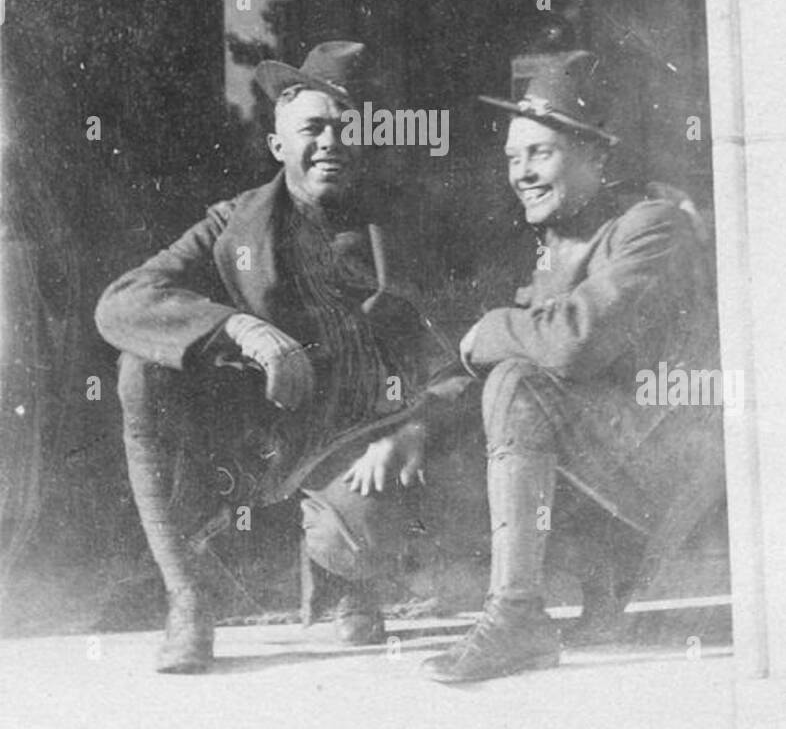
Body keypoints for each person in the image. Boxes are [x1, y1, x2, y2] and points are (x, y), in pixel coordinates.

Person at [95, 42, 438, 673]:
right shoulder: (234, 224)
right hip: (261, 424)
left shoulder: (405, 224)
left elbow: (454, 340)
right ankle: (188, 598)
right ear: (280, 146)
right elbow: (122, 302)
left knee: (359, 545)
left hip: (360, 430)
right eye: (313, 128)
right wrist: (240, 328)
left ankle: (348, 577)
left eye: (347, 128)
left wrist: (413, 422)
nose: (331, 142)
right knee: (140, 369)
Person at [422, 50, 725, 684]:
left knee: (517, 386)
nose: (521, 174)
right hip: (627, 458)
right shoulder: (559, 237)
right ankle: (599, 593)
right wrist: (411, 424)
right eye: (512, 158)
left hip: (683, 481)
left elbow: (573, 345)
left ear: (596, 157)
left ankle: (517, 617)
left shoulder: (652, 227)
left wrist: (489, 331)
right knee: (471, 406)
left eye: (540, 153)